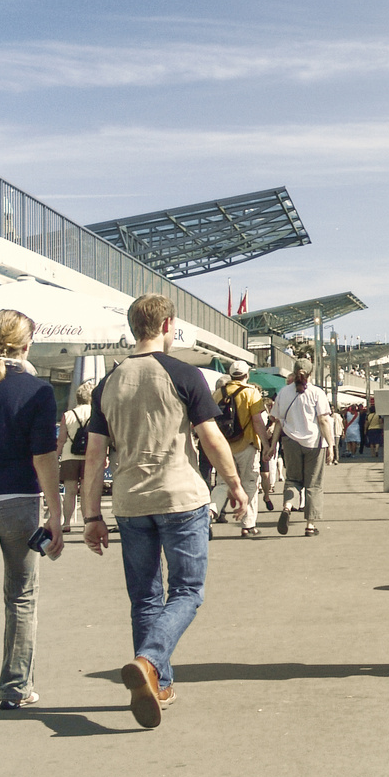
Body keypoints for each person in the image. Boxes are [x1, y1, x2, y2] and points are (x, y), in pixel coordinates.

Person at [82, 294, 248, 729]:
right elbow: (210, 437)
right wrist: (235, 486)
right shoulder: (183, 374)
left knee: (145, 597)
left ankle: (159, 684)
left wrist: (91, 516)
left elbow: (95, 455)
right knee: (188, 592)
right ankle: (151, 662)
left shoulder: (108, 383)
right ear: (167, 325)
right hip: (179, 498)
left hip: (131, 503)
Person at [0, 309, 63, 710]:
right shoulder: (37, 391)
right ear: (27, 343)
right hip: (18, 500)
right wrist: (55, 513)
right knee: (19, 598)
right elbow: (43, 457)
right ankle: (15, 688)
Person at [270, 359, 335, 537]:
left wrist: (272, 445)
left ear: (294, 371)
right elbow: (323, 420)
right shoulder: (317, 393)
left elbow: (277, 422)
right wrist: (331, 446)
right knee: (313, 484)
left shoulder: (283, 393)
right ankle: (310, 526)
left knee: (292, 479)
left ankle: (287, 506)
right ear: (311, 373)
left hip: (290, 442)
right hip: (314, 444)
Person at [212, 361, 270, 536]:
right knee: (249, 483)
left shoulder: (217, 394)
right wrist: (266, 444)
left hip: (224, 446)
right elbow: (257, 421)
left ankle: (209, 514)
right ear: (247, 374)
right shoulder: (251, 393)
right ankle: (248, 525)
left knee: (222, 484)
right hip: (247, 444)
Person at [56, 380, 96, 531]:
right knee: (86, 492)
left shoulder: (68, 415)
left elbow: (61, 440)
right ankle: (87, 522)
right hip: (90, 456)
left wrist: (56, 456)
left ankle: (66, 522)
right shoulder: (95, 414)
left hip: (69, 456)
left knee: (69, 492)